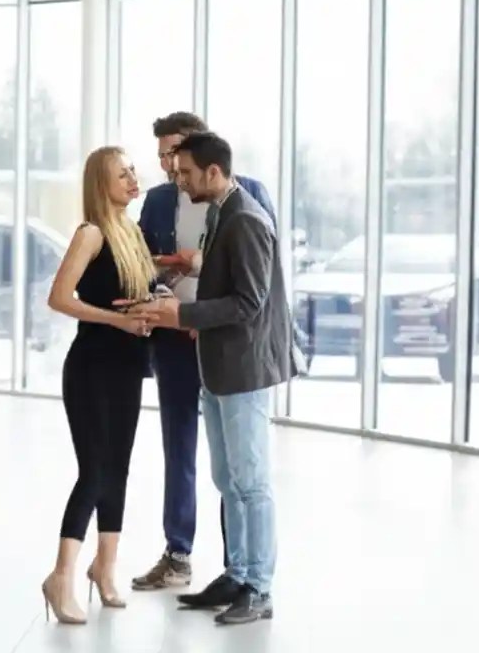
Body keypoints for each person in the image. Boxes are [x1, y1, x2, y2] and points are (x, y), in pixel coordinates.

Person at [124, 131, 295, 625]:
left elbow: (249, 302)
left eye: (187, 173)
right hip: (219, 366)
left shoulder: (245, 219)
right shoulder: (222, 212)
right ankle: (238, 574)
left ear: (213, 172)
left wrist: (181, 314)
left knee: (251, 481)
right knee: (227, 477)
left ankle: (258, 588)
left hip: (243, 368)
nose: (179, 180)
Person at [40, 146, 156, 625]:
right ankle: (60, 576)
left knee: (119, 469)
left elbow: (133, 292)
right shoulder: (90, 233)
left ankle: (104, 566)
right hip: (91, 366)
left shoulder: (132, 232)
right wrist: (117, 321)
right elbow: (59, 298)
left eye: (133, 170)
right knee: (94, 471)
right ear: (99, 185)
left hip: (128, 365)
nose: (133, 178)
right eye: (122, 174)